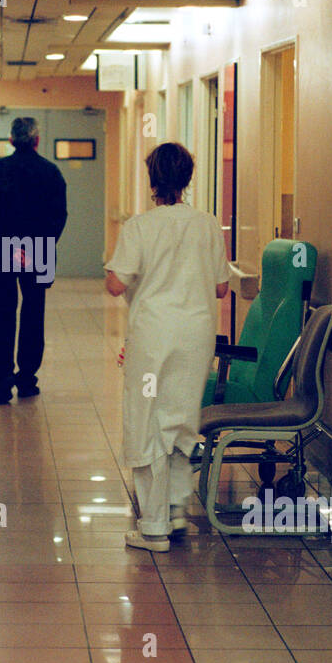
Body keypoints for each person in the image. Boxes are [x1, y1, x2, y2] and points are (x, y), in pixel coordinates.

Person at [105, 142, 231, 552]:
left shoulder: (140, 227)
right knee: (180, 418)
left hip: (154, 336)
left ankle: (154, 526)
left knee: (147, 420)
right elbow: (221, 288)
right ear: (188, 178)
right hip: (196, 336)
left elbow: (115, 285)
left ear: (152, 179)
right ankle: (176, 510)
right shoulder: (207, 224)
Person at [0, 116, 67, 404]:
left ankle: (3, 379)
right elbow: (58, 216)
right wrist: (42, 245)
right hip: (36, 249)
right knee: (32, 314)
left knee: (0, 314)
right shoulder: (50, 172)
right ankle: (27, 379)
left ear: (11, 140)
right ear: (37, 140)